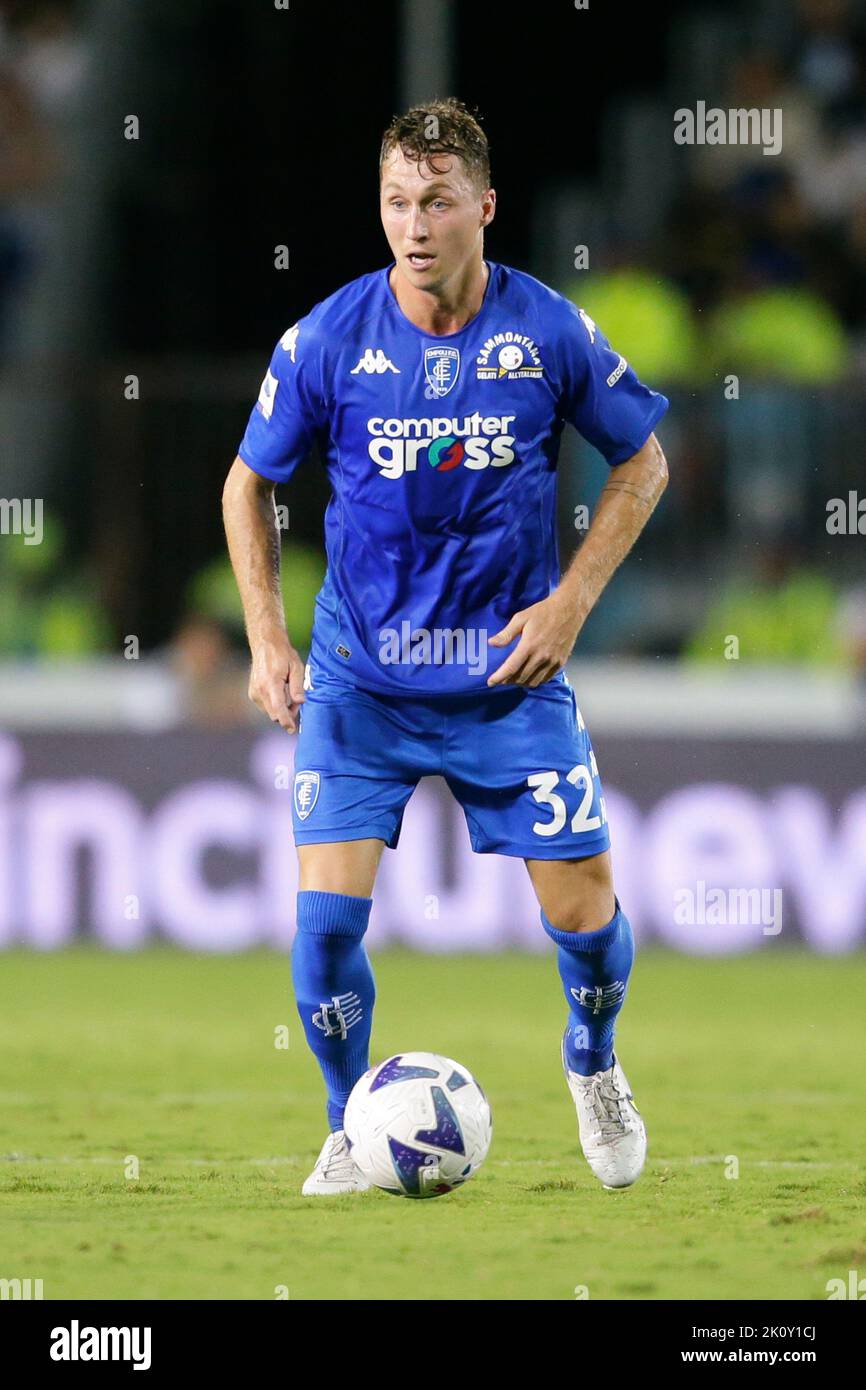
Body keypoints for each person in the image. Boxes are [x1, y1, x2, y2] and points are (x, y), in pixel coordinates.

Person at [223, 98, 669, 1195]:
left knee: (587, 921)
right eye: (393, 203)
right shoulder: (327, 337)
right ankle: (346, 1122)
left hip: (506, 682)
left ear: (483, 206)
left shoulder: (547, 331)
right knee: (323, 933)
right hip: (360, 683)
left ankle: (594, 1059)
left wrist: (567, 607)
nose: (412, 226)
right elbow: (248, 485)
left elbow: (642, 464)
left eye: (434, 202)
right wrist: (267, 643)